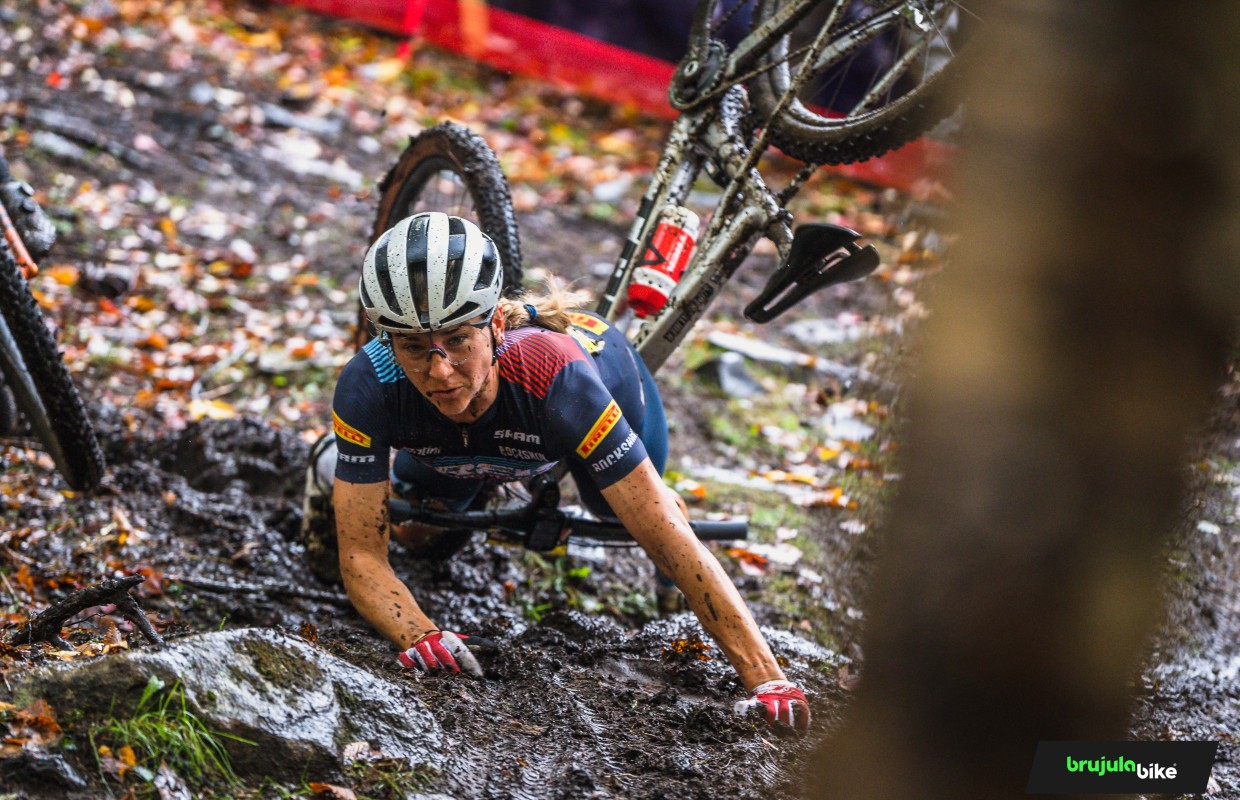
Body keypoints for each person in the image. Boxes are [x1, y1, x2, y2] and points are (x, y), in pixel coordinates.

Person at [303, 211, 809, 734]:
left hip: (594, 395)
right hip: (462, 443)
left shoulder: (557, 377)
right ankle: (341, 466)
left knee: (622, 512)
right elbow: (363, 554)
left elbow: (668, 538)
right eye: (413, 347)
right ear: (389, 342)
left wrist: (767, 678)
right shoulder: (368, 384)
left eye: (457, 340)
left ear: (496, 326)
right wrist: (421, 635)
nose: (440, 371)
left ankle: (657, 582)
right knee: (417, 533)